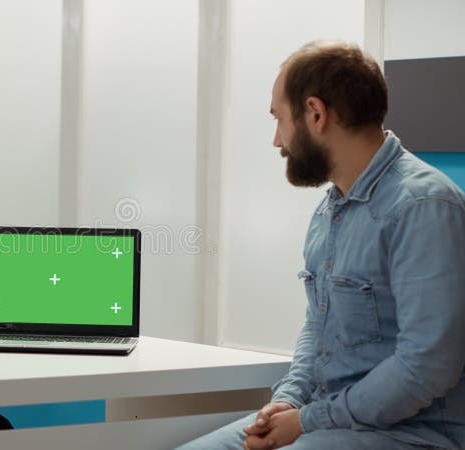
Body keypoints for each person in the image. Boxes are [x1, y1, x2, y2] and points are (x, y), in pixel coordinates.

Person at [177, 40, 465, 449]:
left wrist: (308, 420)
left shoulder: (423, 206)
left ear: (315, 113)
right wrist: (287, 399)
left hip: (415, 434)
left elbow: (427, 365)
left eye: (279, 119)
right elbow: (320, 324)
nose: (277, 141)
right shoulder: (331, 208)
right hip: (327, 418)